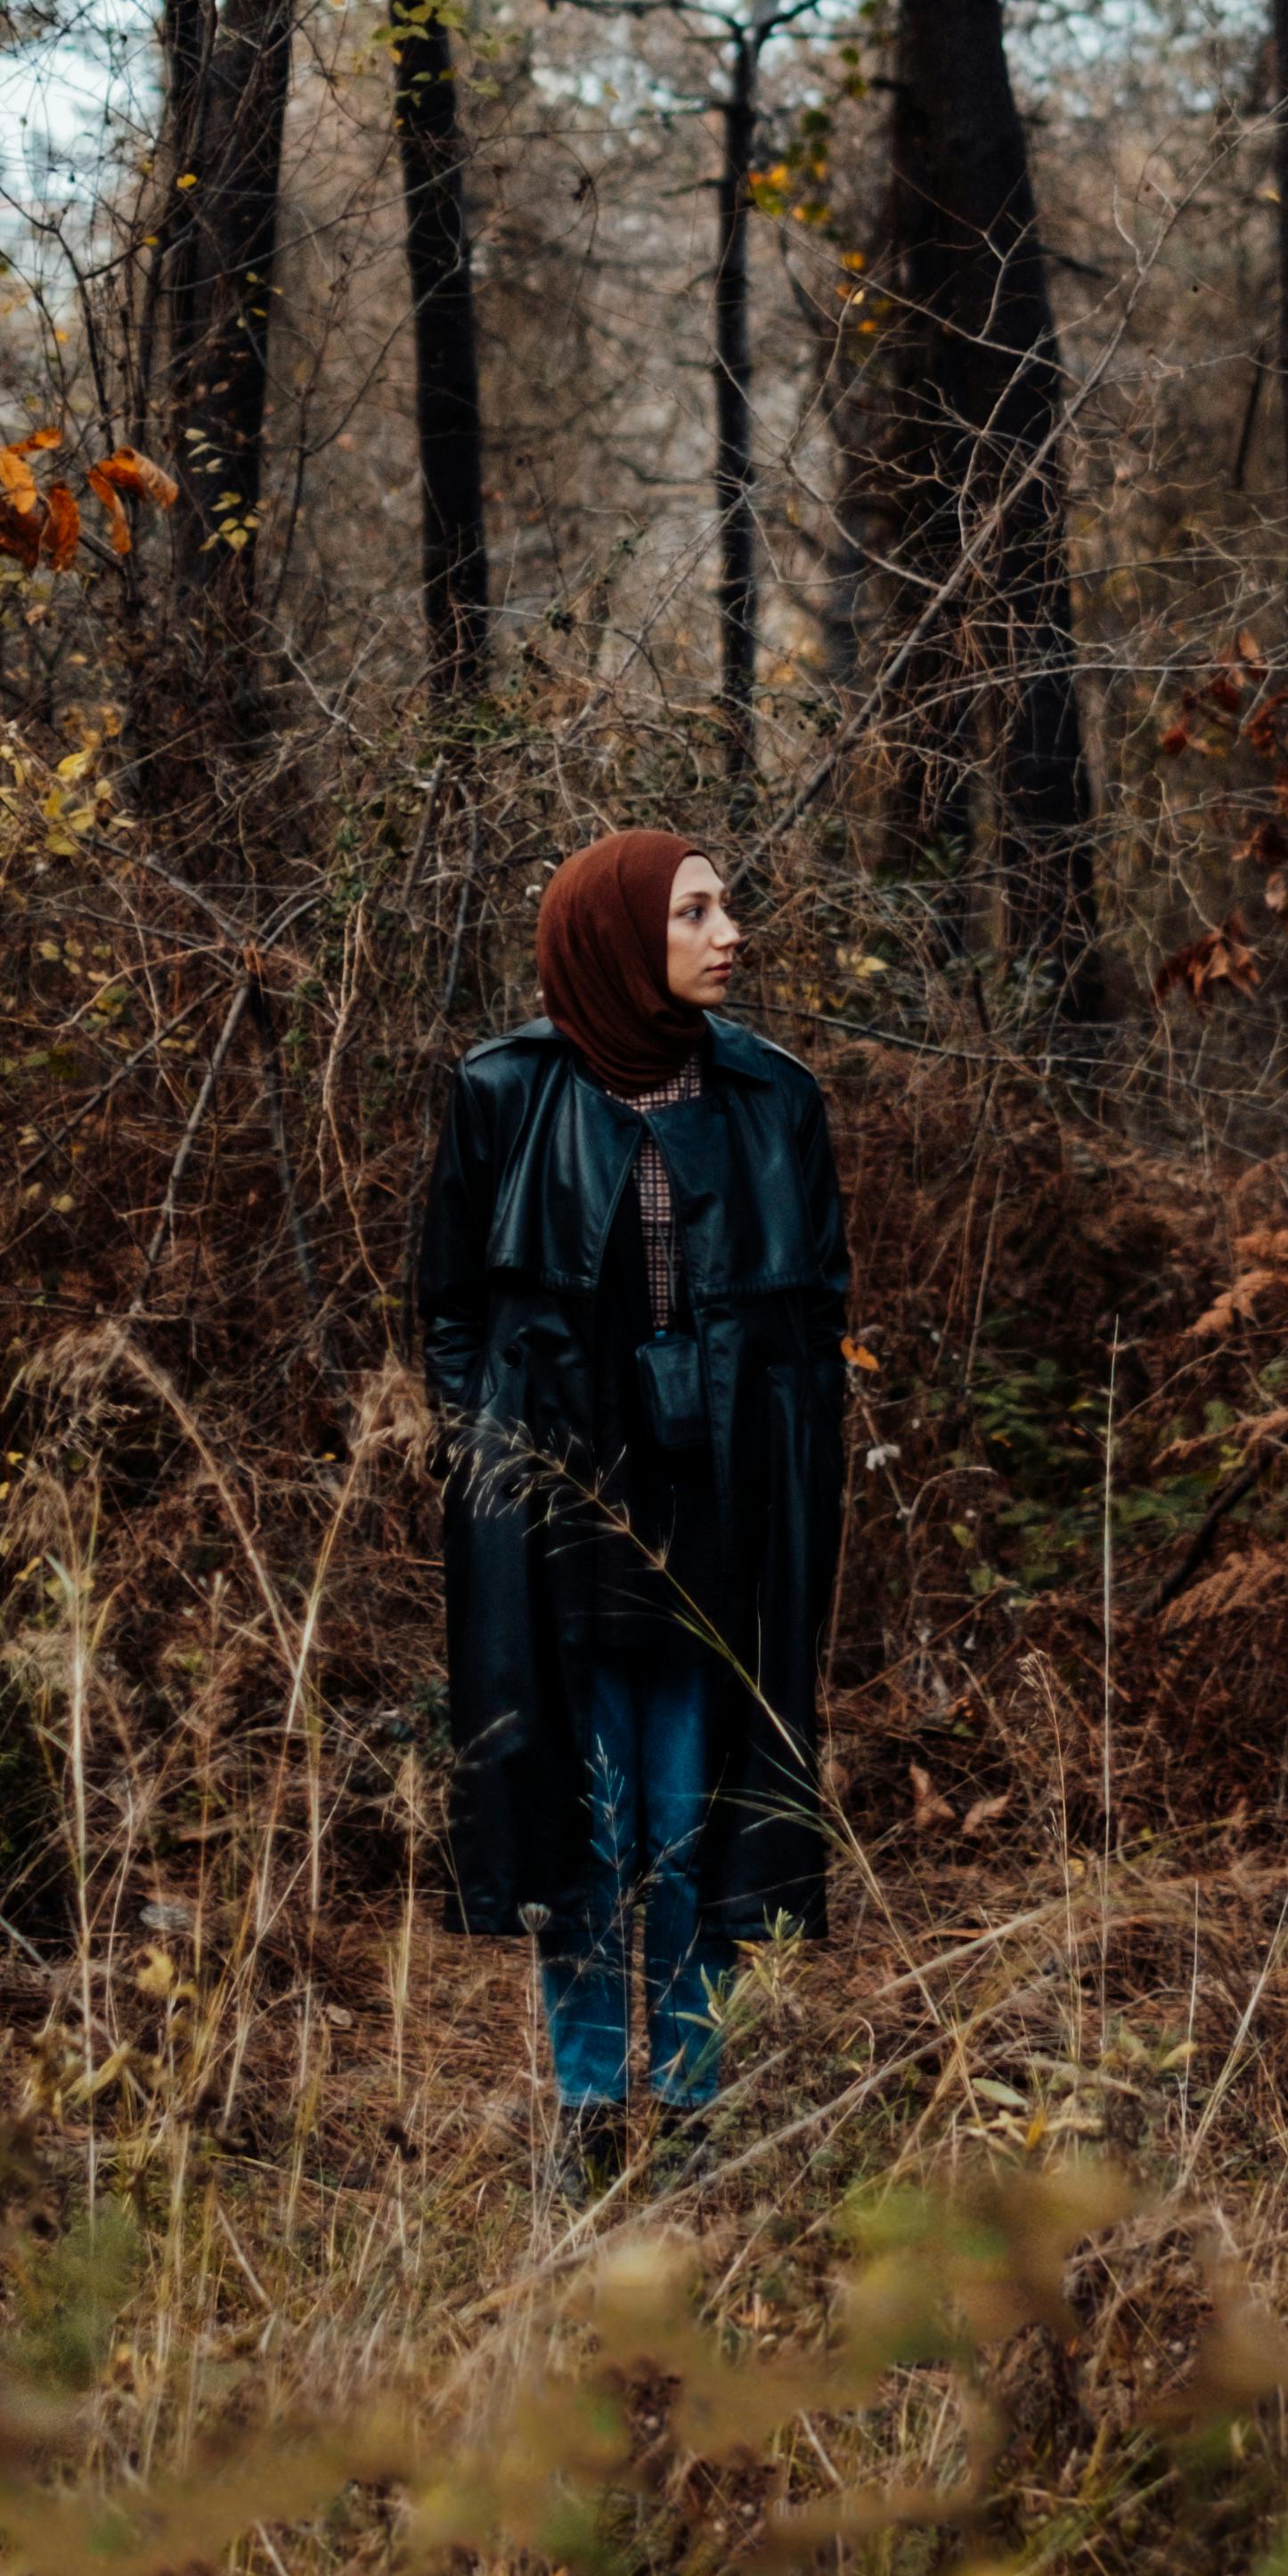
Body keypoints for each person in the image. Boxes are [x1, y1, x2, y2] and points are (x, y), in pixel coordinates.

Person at [412, 828, 850, 2182]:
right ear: (615, 938)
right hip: (562, 1511)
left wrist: (795, 1479)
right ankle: (593, 2115)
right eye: (696, 912)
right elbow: (448, 1308)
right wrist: (484, 1462)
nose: (732, 934)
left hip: (723, 1502)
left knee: (694, 1815)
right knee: (586, 1819)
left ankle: (698, 2104)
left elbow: (819, 1317)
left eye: (726, 908)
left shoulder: (775, 1097)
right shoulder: (505, 1091)